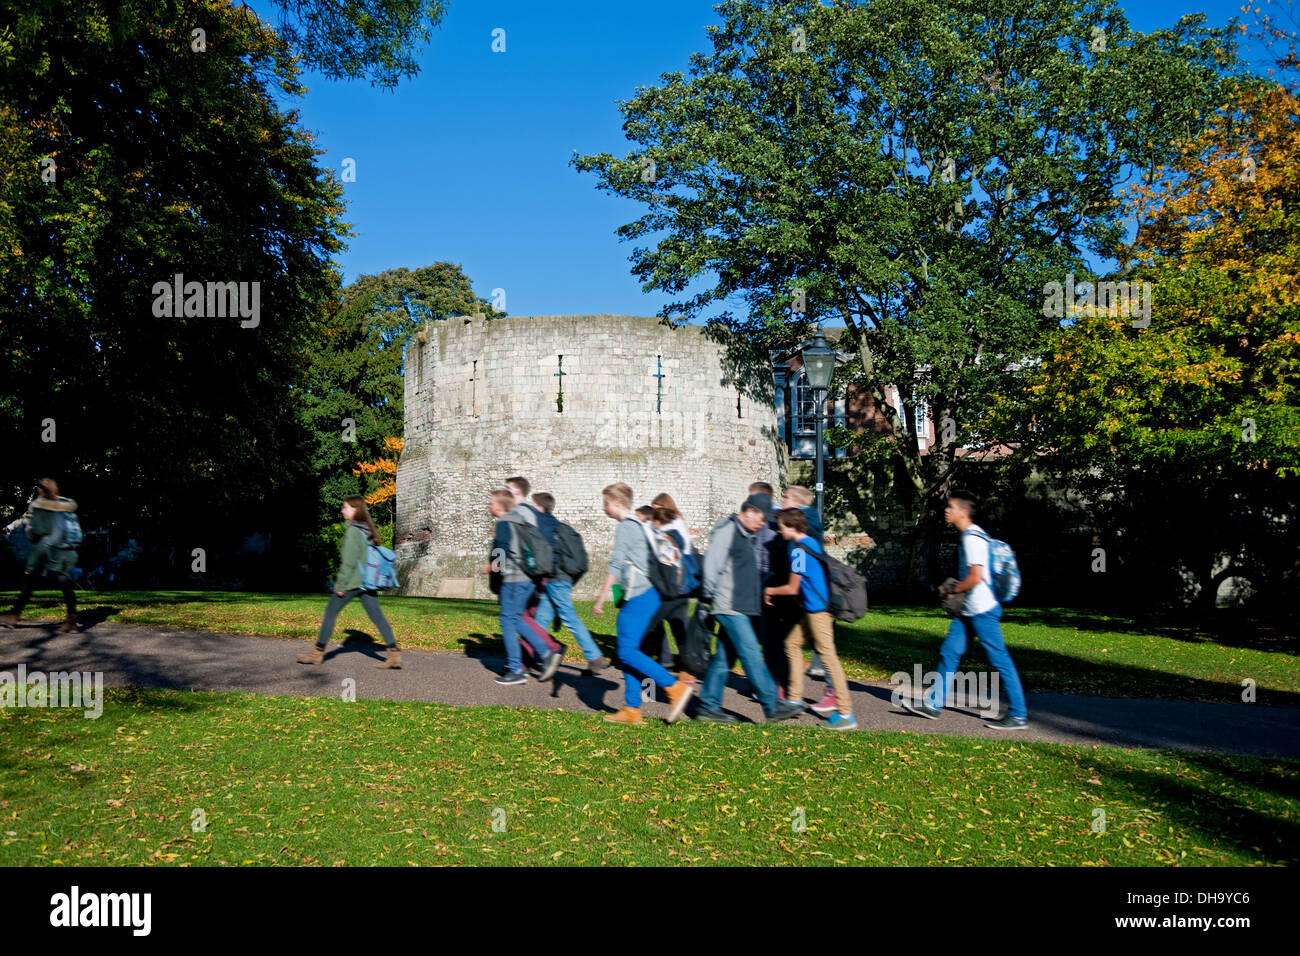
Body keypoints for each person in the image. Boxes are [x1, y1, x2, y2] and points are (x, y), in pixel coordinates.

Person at [901, 490, 1029, 729]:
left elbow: (976, 577)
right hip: (969, 611)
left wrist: (952, 590)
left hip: (983, 611)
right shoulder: (975, 535)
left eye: (951, 507)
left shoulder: (972, 538)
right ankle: (933, 704)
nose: (946, 511)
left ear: (963, 511)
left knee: (1000, 661)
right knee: (949, 652)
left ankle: (1019, 714)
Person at [694, 495, 805, 724]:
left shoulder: (746, 535)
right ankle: (772, 705)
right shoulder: (727, 531)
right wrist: (713, 599)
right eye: (761, 518)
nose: (762, 524)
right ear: (749, 511)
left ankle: (708, 706)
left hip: (741, 606)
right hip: (729, 605)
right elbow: (711, 566)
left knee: (724, 658)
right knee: (751, 653)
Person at [592, 482, 694, 725]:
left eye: (606, 503)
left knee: (626, 651)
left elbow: (617, 563)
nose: (604, 508)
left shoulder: (627, 527)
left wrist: (601, 597)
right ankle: (632, 709)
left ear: (617, 503)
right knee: (631, 651)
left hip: (641, 593)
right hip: (648, 593)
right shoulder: (642, 525)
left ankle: (674, 687)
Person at [764, 508, 856, 729]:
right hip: (811, 610)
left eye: (782, 526)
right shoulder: (811, 542)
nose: (779, 529)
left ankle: (846, 714)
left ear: (791, 527)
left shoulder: (798, 551)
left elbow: (792, 588)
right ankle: (794, 699)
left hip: (818, 613)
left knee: (828, 658)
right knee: (791, 643)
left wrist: (769, 591)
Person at [296, 496, 402, 668]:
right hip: (367, 582)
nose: (342, 510)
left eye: (345, 507)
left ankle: (317, 653)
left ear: (355, 509)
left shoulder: (353, 531)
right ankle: (394, 655)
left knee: (330, 612)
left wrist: (340, 585)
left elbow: (349, 561)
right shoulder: (366, 529)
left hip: (353, 582)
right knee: (378, 617)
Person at [481, 489, 560, 685]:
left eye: (491, 503)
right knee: (515, 619)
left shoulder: (504, 523)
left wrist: (492, 567)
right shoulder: (520, 520)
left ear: (500, 506)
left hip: (514, 580)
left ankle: (517, 669)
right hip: (527, 579)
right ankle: (545, 653)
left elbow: (502, 551)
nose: (489, 506)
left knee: (507, 622)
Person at [530, 492, 610, 674]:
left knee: (570, 618)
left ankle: (594, 656)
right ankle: (534, 657)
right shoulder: (559, 526)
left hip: (556, 579)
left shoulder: (543, 525)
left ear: (540, 507)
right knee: (541, 620)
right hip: (562, 578)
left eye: (533, 505)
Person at [0, 478, 81, 633]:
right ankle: (72, 620)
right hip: (64, 553)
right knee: (65, 584)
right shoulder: (66, 505)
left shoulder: (41, 506)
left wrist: (29, 530)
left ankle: (14, 615)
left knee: (29, 583)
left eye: (39, 488)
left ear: (43, 490)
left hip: (45, 554)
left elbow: (36, 532)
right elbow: (74, 533)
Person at [503, 476, 564, 667]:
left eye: (508, 488)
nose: (505, 492)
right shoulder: (526, 512)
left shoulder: (521, 513)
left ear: (517, 491)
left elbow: (521, 546)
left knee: (516, 618)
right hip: (529, 574)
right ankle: (527, 661)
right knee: (521, 617)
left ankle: (547, 650)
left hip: (523, 575)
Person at [639, 502, 692, 673]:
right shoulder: (678, 538)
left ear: (656, 521)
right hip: (681, 593)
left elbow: (663, 570)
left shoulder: (662, 540)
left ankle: (649, 691)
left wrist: (656, 585)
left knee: (648, 634)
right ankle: (686, 673)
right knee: (681, 633)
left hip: (667, 595)